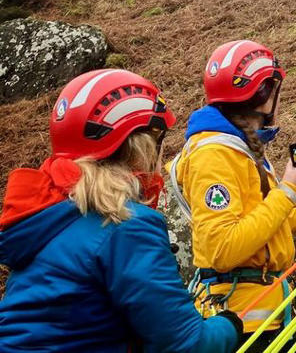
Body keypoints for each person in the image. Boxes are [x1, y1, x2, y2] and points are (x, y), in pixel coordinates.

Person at [0, 69, 242, 352]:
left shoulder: (51, 219)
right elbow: (187, 345)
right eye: (157, 140)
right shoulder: (126, 225)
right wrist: (229, 325)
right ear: (139, 146)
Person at [170, 40, 296, 352]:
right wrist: (290, 189)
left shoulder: (239, 149)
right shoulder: (214, 156)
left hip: (269, 316)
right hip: (244, 325)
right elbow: (222, 248)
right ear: (265, 95)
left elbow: (269, 222)